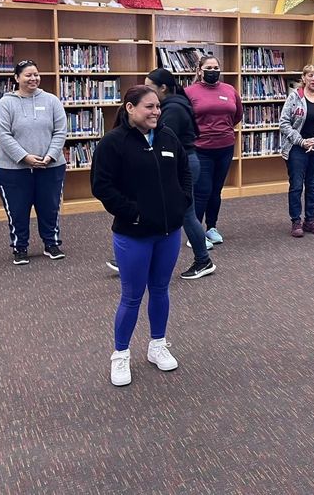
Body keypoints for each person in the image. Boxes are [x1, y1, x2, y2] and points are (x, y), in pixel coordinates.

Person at [91, 85, 191, 387]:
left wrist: (181, 203)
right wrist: (133, 213)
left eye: (158, 106)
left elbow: (184, 172)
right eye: (149, 107)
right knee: (132, 296)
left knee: (160, 290)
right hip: (134, 234)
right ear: (130, 108)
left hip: (168, 232)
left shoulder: (167, 137)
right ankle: (120, 354)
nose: (156, 112)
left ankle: (157, 345)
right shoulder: (113, 143)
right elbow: (102, 186)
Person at [0, 59, 67, 265]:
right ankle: (20, 247)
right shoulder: (6, 103)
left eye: (36, 74)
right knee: (17, 210)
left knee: (50, 207)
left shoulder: (52, 101)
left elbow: (60, 131)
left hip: (50, 166)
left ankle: (51, 243)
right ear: (17, 78)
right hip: (13, 169)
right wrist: (25, 157)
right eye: (28, 75)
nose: (33, 78)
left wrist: (50, 155)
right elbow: (2, 134)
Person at [146, 68, 215, 280]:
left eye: (149, 88)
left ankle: (203, 260)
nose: (145, 92)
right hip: (185, 161)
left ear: (162, 88)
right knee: (167, 210)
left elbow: (165, 139)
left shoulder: (173, 109)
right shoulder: (174, 104)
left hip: (180, 164)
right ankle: (138, 254)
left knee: (185, 213)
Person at [184, 55, 242, 247]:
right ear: (199, 70)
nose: (213, 71)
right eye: (208, 68)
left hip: (225, 147)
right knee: (202, 191)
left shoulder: (229, 90)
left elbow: (237, 115)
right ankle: (195, 234)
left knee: (216, 190)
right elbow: (184, 118)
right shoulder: (189, 92)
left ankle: (211, 227)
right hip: (201, 149)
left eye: (216, 68)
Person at [279, 64, 314, 237]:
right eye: (310, 75)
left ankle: (310, 220)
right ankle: (296, 221)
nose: (313, 79)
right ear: (303, 78)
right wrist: (301, 141)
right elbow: (284, 123)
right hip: (297, 148)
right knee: (296, 186)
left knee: (312, 186)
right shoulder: (294, 97)